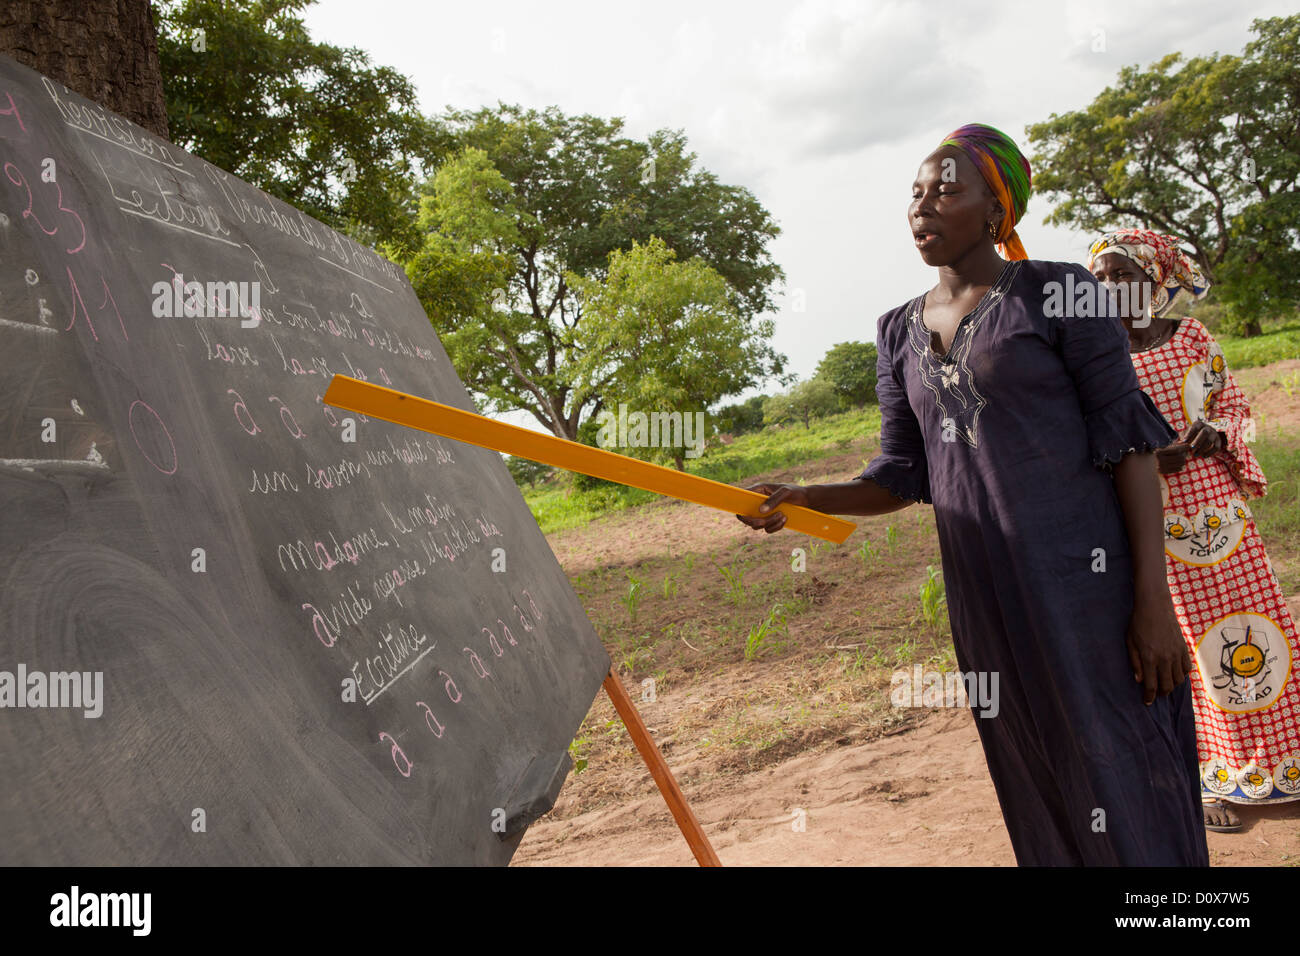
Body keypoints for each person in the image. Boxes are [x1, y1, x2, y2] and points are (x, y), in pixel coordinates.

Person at [737, 123, 1209, 866]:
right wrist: (802, 497)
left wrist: (1153, 604)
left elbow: (1131, 447)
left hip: (1089, 589)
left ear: (996, 210)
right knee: (1037, 764)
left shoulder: (1060, 292)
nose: (924, 207)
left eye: (946, 191)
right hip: (987, 599)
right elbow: (901, 473)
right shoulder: (896, 332)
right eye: (916, 193)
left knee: (1125, 755)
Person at [1089, 228, 1300, 833]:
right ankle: (1220, 785)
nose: (1110, 288)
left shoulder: (1194, 339)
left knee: (1264, 636)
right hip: (1154, 533)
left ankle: (1285, 770)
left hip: (1221, 517)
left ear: (1155, 281)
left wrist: (1218, 434)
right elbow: (1091, 447)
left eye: (1123, 274)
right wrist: (1152, 462)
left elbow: (1236, 410)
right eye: (1100, 277)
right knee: (1196, 657)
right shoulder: (1095, 358)